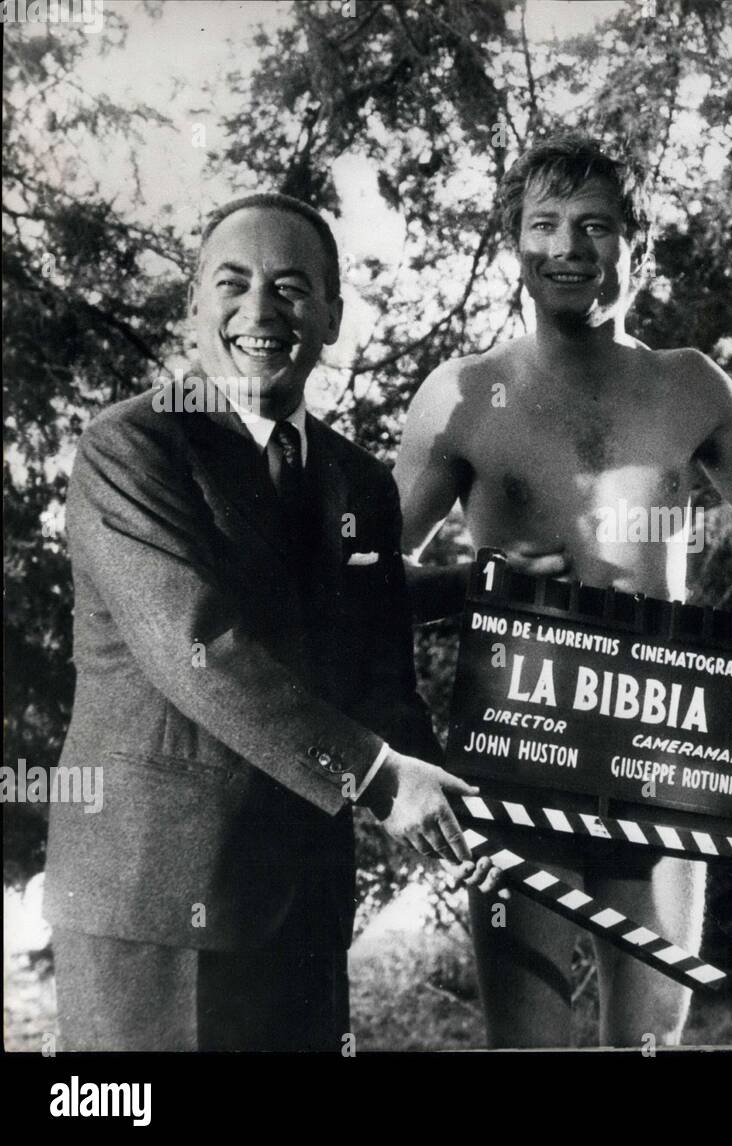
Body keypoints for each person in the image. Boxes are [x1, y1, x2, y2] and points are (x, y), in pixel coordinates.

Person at [44, 192, 495, 1052]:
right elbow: (197, 648)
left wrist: (453, 800)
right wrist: (383, 779)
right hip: (156, 905)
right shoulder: (129, 447)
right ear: (194, 305)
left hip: (303, 900)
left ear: (331, 314)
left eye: (292, 287)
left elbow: (377, 673)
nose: (261, 310)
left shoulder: (358, 481)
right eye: (233, 282)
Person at [396, 134, 732, 1046]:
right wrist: (461, 586)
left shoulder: (685, 386)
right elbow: (357, 576)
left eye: (596, 225)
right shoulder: (462, 395)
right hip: (520, 738)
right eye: (543, 224)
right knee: (529, 1047)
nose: (568, 247)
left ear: (639, 247)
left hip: (664, 746)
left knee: (650, 1046)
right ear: (514, 244)